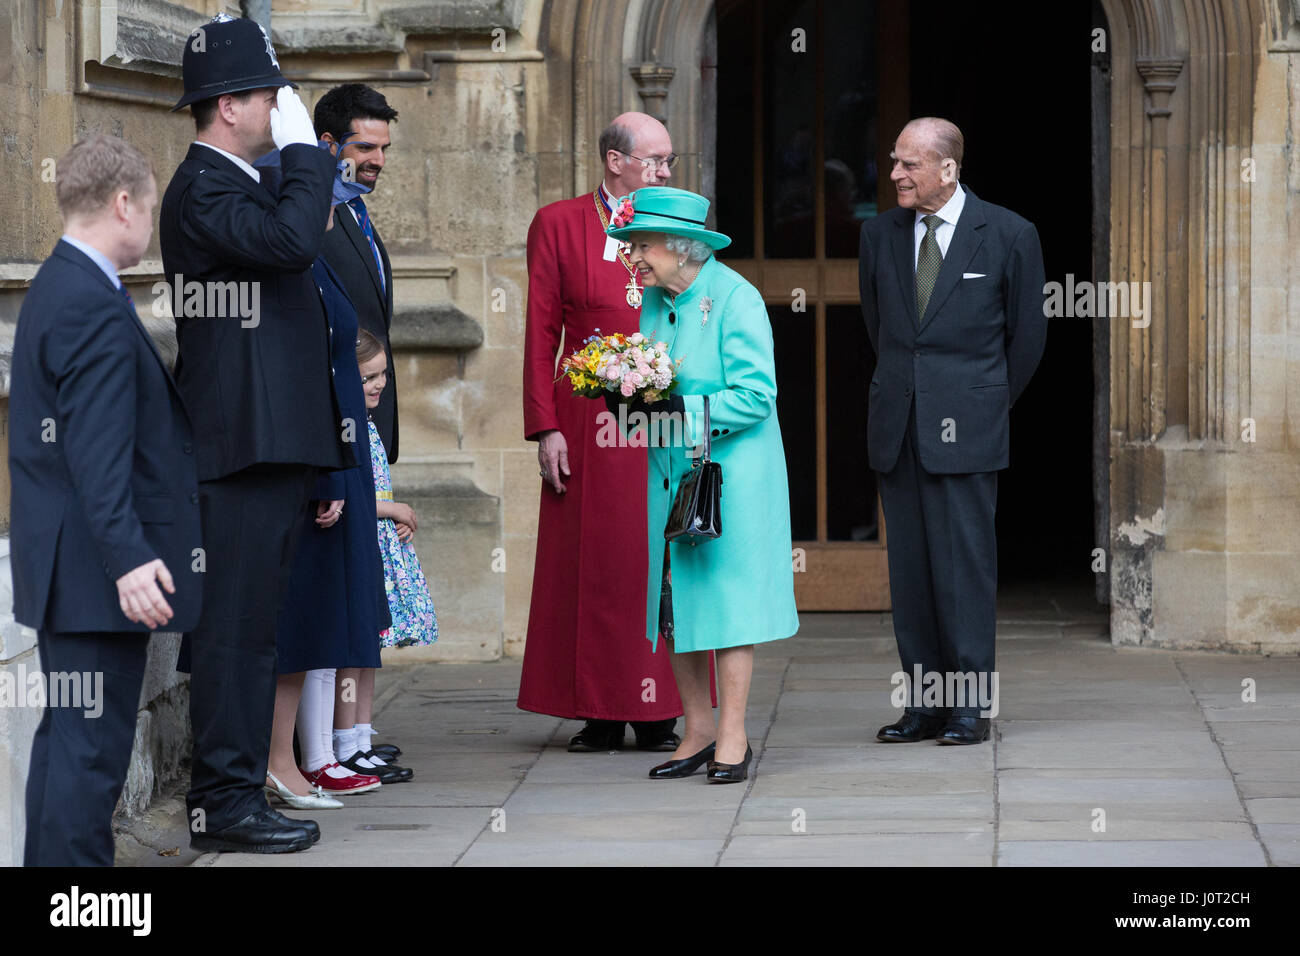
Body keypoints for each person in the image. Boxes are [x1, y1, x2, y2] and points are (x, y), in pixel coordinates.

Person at [161, 13, 351, 853]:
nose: (280, 108)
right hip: (237, 448)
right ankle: (221, 803)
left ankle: (240, 791)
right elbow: (293, 240)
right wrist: (312, 154)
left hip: (267, 444)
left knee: (254, 629)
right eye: (270, 95)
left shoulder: (236, 183)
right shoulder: (205, 187)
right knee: (232, 631)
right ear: (231, 105)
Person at [10, 134, 203, 865]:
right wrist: (129, 559)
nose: (151, 223)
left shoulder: (61, 283)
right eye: (150, 207)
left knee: (69, 748)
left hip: (73, 570)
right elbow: (91, 453)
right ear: (123, 203)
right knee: (87, 762)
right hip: (94, 575)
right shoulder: (87, 299)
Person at [858, 118, 1047, 745]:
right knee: (910, 573)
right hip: (898, 426)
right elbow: (880, 326)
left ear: (948, 169)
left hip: (968, 429)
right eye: (894, 162)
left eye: (909, 164)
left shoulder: (1011, 234)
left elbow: (1026, 339)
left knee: (963, 572)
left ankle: (969, 707)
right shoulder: (878, 234)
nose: (895, 176)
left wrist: (980, 403)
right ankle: (925, 705)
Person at [604, 186, 799, 782]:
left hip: (729, 477)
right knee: (676, 599)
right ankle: (697, 731)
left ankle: (733, 739)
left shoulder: (735, 297)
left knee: (728, 603)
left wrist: (672, 413)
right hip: (669, 473)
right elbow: (649, 384)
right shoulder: (656, 301)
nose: (630, 257)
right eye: (628, 245)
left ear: (680, 245)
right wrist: (622, 401)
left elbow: (756, 397)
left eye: (639, 245)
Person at [519, 113, 687, 753]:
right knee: (593, 562)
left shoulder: (674, 222)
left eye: (669, 160)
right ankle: (597, 709)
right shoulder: (559, 223)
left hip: (661, 410)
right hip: (586, 418)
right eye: (655, 160)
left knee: (653, 557)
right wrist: (545, 427)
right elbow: (539, 332)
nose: (666, 171)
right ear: (615, 161)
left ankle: (657, 709)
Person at [313, 83, 407, 764]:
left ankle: (355, 737)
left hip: (368, 423)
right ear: (329, 147)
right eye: (364, 147)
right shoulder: (315, 219)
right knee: (344, 602)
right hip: (335, 432)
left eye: (383, 148)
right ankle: (331, 746)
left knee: (366, 602)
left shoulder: (359, 215)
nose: (376, 159)